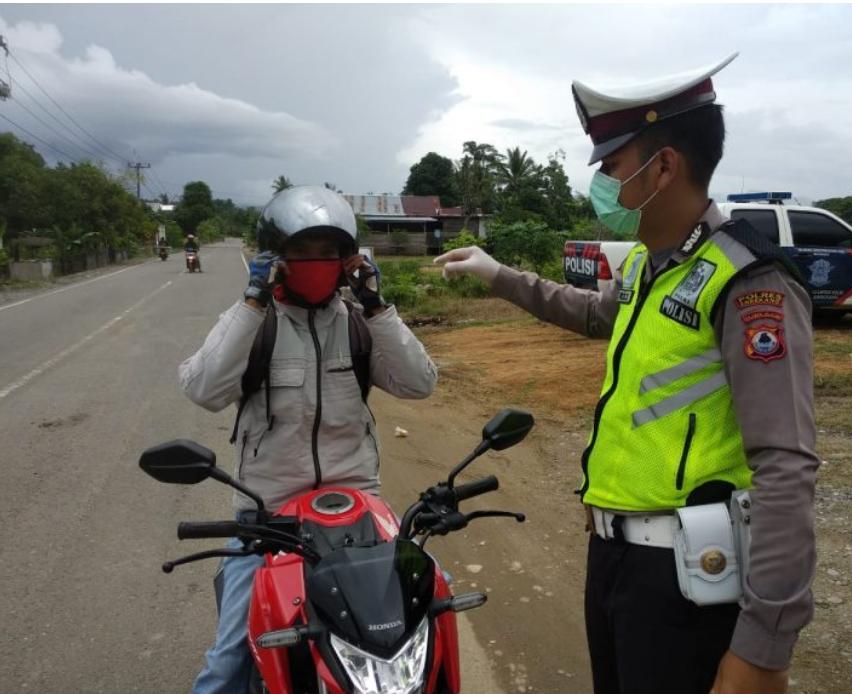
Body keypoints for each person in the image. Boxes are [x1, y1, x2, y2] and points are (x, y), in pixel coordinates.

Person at [436, 53, 818, 694]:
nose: (602, 185)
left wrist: (764, 646)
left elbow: (786, 465)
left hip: (687, 578)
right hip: (613, 557)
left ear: (663, 167)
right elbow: (592, 314)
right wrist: (498, 275)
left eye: (611, 167)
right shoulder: (647, 264)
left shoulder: (750, 281)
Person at [178, 185, 438, 693]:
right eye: (303, 252)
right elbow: (203, 389)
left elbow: (419, 383)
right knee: (230, 659)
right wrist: (251, 304)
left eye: (329, 253)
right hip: (269, 518)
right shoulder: (254, 324)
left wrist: (379, 307)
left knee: (426, 614)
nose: (318, 264)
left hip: (359, 515)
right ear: (276, 257)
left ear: (348, 260)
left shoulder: (362, 325)